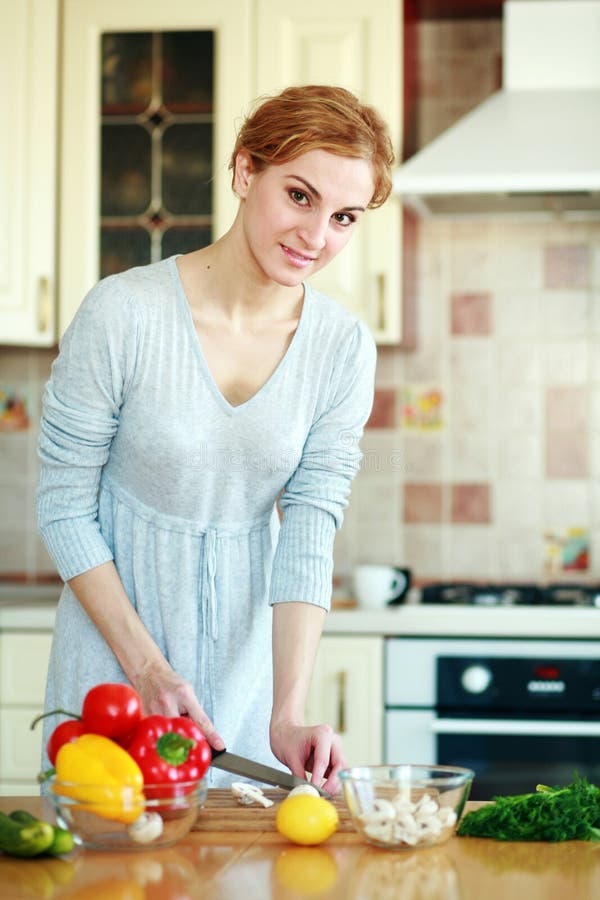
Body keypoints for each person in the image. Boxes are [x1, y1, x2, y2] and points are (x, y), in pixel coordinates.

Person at [36, 84, 395, 795]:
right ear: (243, 172)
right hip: (114, 668)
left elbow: (309, 527)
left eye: (345, 216)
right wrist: (148, 670)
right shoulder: (124, 314)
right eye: (299, 196)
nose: (317, 236)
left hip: (244, 677)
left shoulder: (343, 348)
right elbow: (63, 504)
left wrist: (287, 713)